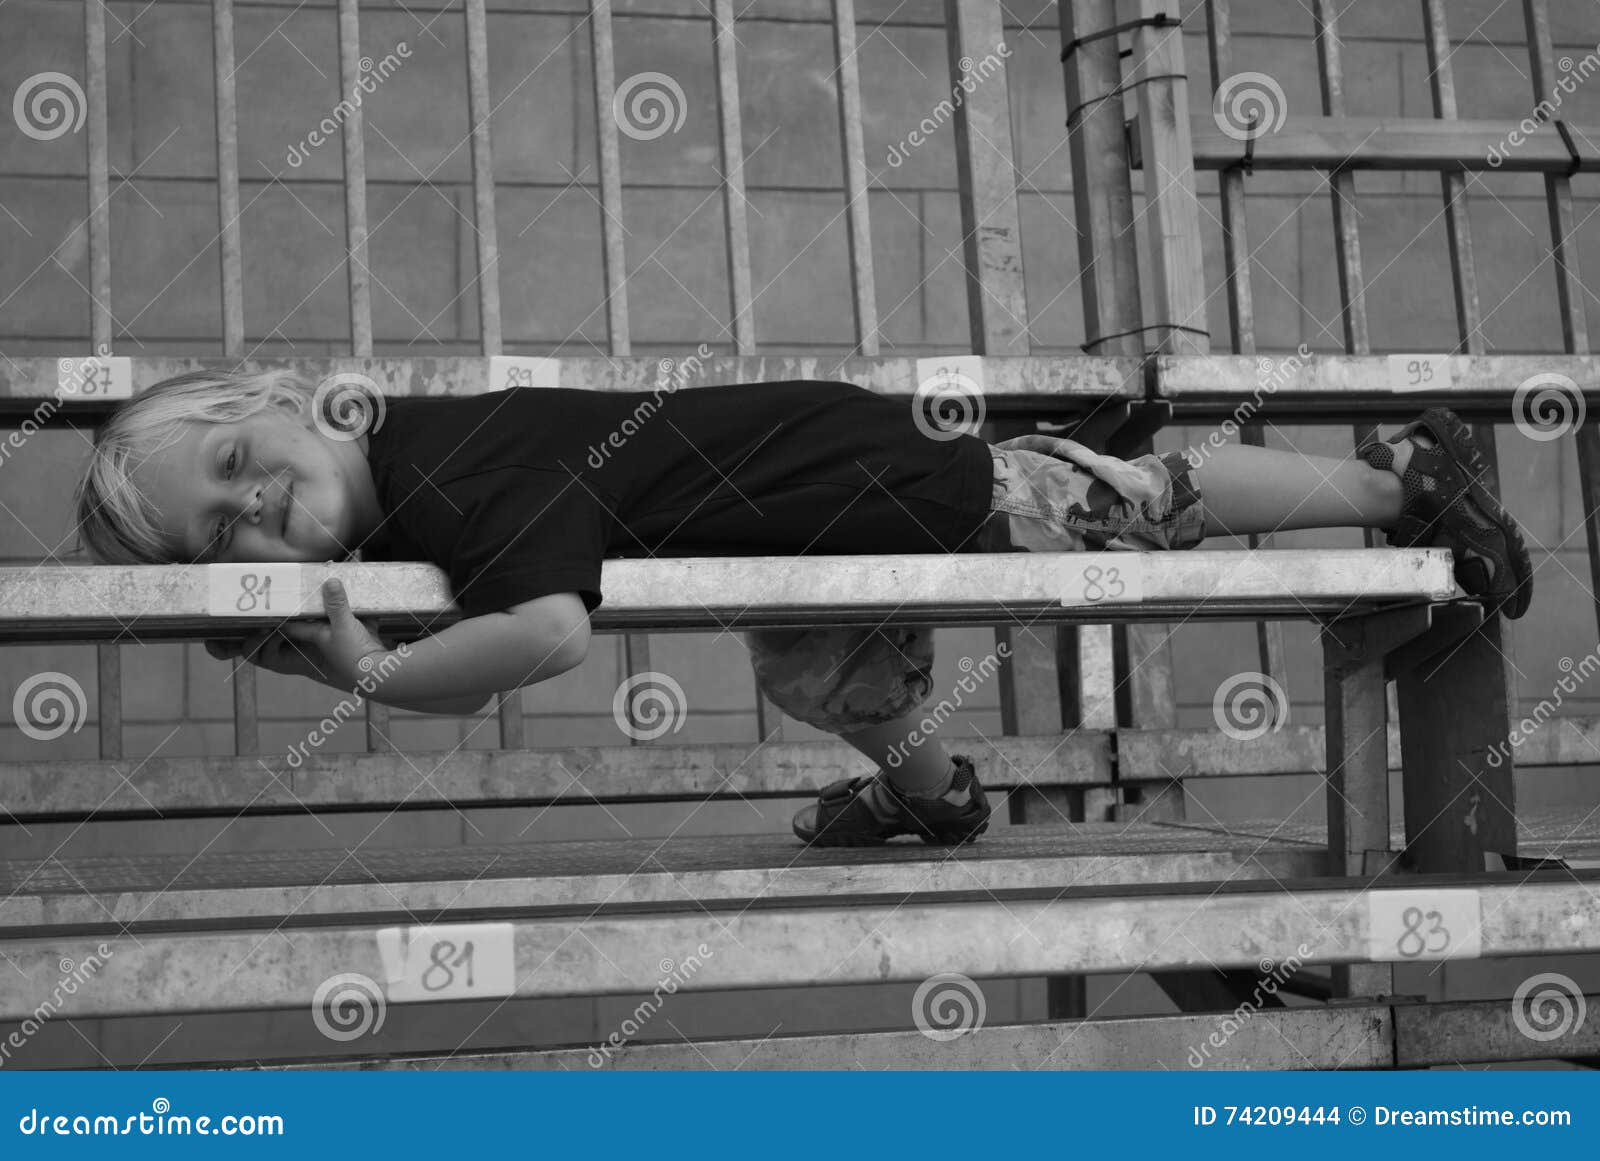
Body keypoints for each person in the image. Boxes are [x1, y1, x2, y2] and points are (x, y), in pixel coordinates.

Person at [72, 369, 1532, 847]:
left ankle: (1405, 479)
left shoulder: (450, 476)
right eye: (221, 534)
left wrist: (369, 677)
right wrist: (344, 640)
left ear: (282, 398)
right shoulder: (411, 480)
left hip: (892, 486)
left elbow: (547, 632)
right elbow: (479, 595)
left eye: (233, 466)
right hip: (802, 541)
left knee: (1134, 501)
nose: (253, 509)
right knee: (827, 678)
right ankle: (935, 797)